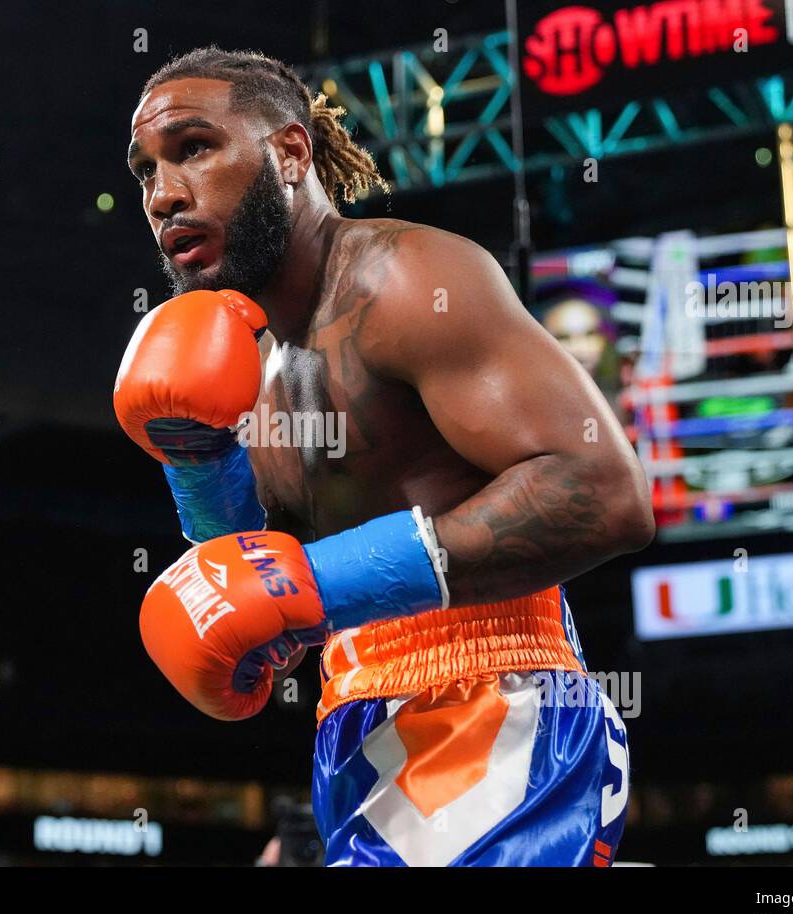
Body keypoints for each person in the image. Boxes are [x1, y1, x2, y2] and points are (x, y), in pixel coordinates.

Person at [113, 47, 654, 867]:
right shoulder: (239, 365)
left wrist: (313, 588)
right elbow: (259, 595)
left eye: (192, 149)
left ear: (291, 154)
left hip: (496, 701)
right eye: (145, 170)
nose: (163, 195)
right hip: (353, 719)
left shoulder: (406, 278)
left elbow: (604, 491)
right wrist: (199, 469)